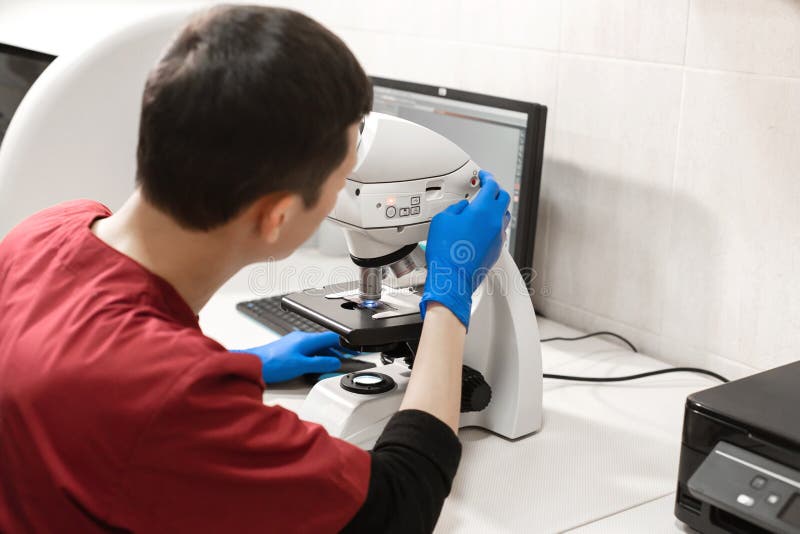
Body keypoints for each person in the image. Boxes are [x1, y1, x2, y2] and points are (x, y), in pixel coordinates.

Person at [0, 5, 510, 533]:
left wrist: (243, 362)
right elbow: (397, 507)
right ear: (277, 217)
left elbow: (79, 373)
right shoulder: (173, 401)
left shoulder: (44, 231)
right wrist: (450, 290)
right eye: (341, 184)